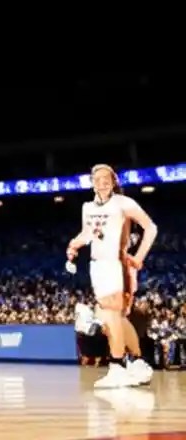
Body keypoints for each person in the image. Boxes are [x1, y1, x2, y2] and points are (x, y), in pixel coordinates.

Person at [67, 163, 157, 388]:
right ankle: (136, 362)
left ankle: (118, 365)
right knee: (112, 318)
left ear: (114, 181)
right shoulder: (87, 207)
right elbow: (89, 233)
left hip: (116, 263)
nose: (102, 182)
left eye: (106, 178)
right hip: (96, 266)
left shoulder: (122, 203)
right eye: (97, 179)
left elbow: (150, 227)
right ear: (91, 183)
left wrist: (139, 257)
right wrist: (74, 244)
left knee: (111, 314)